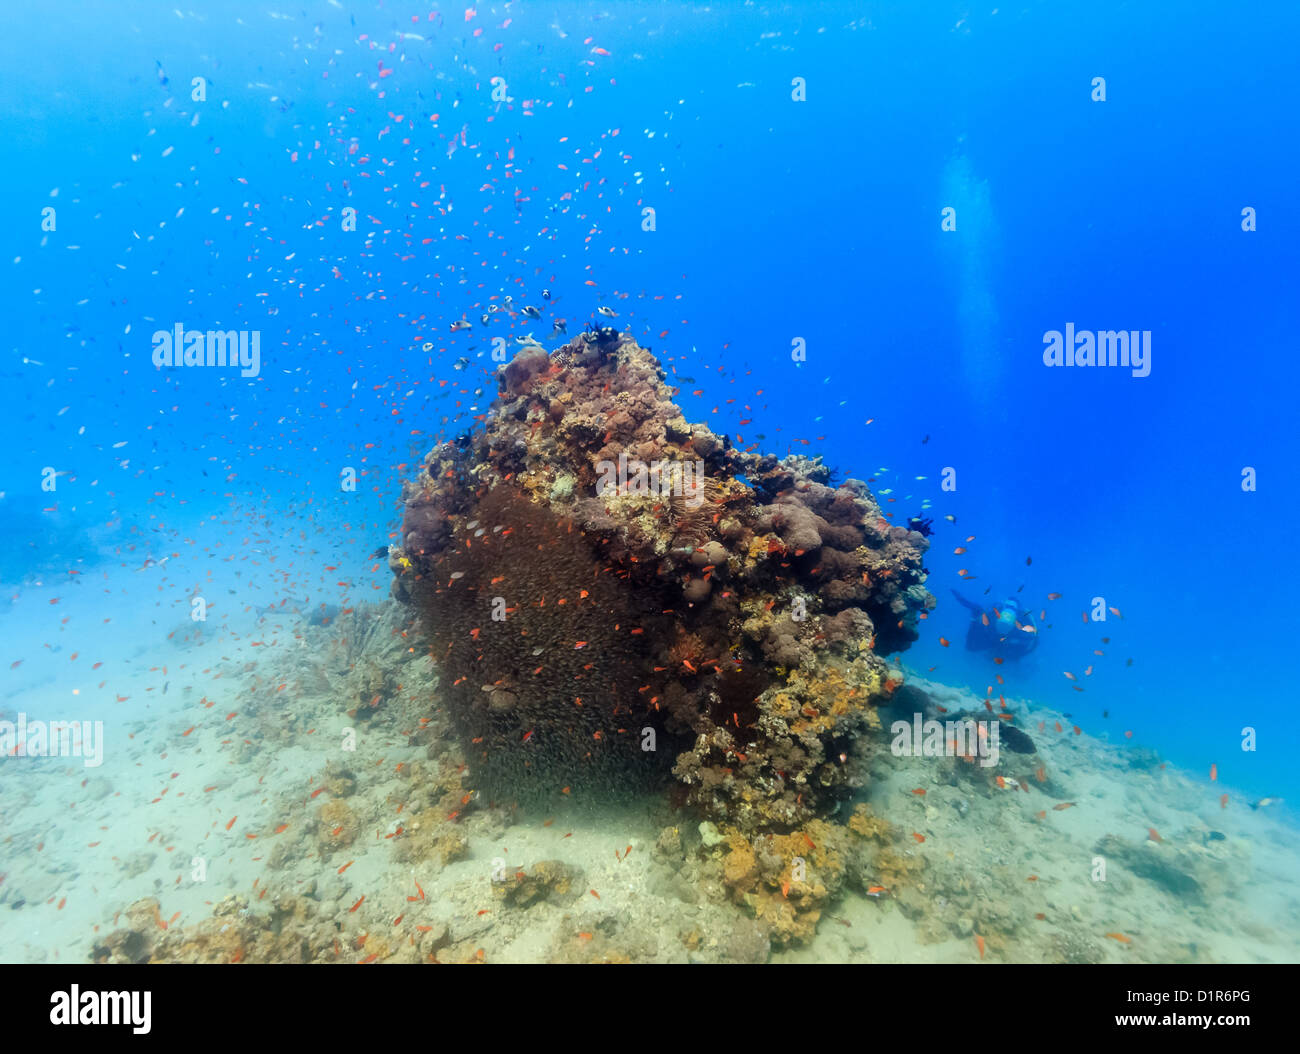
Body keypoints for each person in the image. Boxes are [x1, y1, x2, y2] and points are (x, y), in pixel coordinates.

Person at [950, 591, 1038, 660]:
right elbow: (1032, 639)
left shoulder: (996, 611)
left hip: (996, 642)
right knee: (1011, 658)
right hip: (1004, 646)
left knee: (970, 647)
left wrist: (975, 618)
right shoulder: (1023, 618)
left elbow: (982, 623)